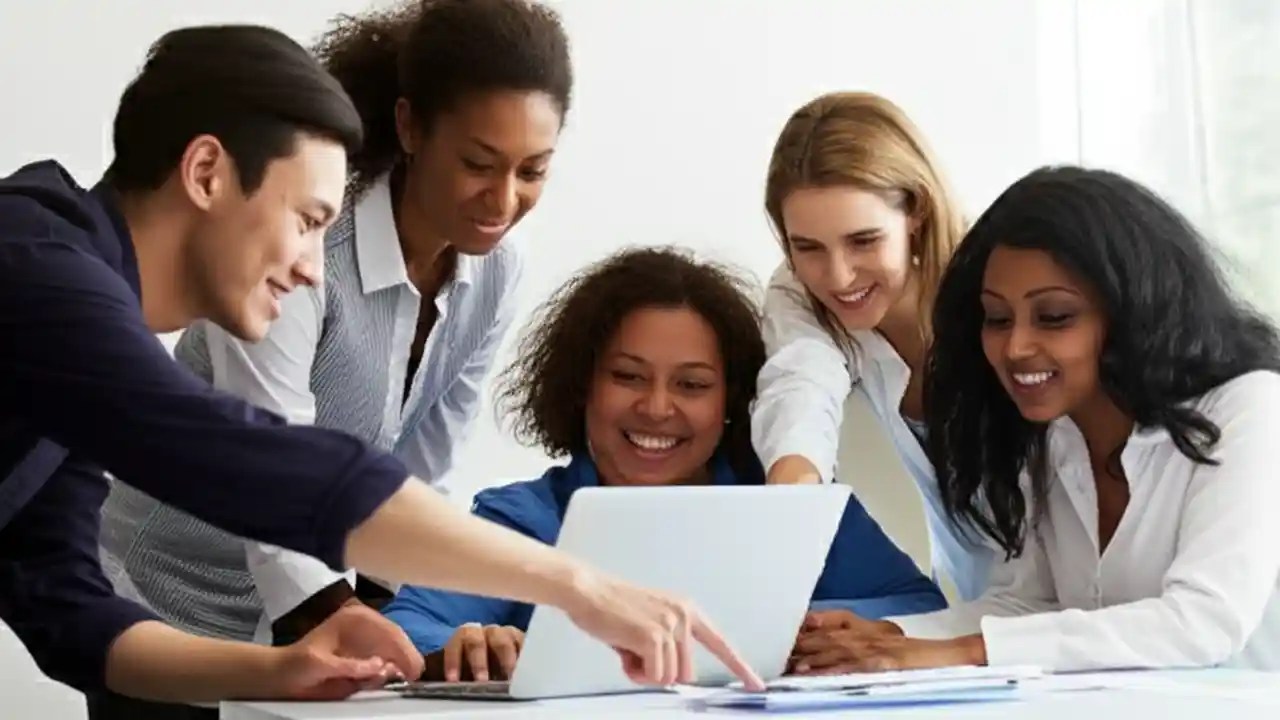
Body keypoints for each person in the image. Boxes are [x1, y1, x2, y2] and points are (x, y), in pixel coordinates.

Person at [0, 22, 761, 709]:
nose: (308, 267)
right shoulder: (34, 268)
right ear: (206, 173)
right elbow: (253, 461)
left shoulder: (60, 395)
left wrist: (275, 671)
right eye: (305, 222)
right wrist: (581, 586)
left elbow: (74, 616)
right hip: (188, 581)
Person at [99, 4, 571, 706]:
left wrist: (403, 618)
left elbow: (422, 469)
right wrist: (346, 620)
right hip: (171, 597)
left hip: (312, 604)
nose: (503, 199)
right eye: (478, 163)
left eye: (532, 170)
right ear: (410, 127)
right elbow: (268, 468)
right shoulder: (302, 242)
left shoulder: (497, 268)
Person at [787, 166, 1280, 675]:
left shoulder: (1250, 407)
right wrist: (887, 637)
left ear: (1135, 312)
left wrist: (959, 652)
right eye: (997, 319)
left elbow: (1203, 622)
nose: (1015, 347)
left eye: (1055, 317)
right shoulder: (1044, 434)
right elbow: (1028, 607)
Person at [380, 247, 947, 681]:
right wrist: (468, 644)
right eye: (627, 376)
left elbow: (918, 606)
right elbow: (408, 627)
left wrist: (775, 627)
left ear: (732, 402)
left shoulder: (788, 506)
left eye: (692, 385)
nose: (656, 408)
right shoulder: (524, 517)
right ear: (582, 387)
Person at [750, 91, 994, 601]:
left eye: (863, 241)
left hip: (1098, 602)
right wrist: (792, 497)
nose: (837, 277)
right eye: (807, 247)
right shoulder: (797, 291)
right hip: (988, 609)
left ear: (917, 212)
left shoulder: (994, 283)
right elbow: (800, 382)